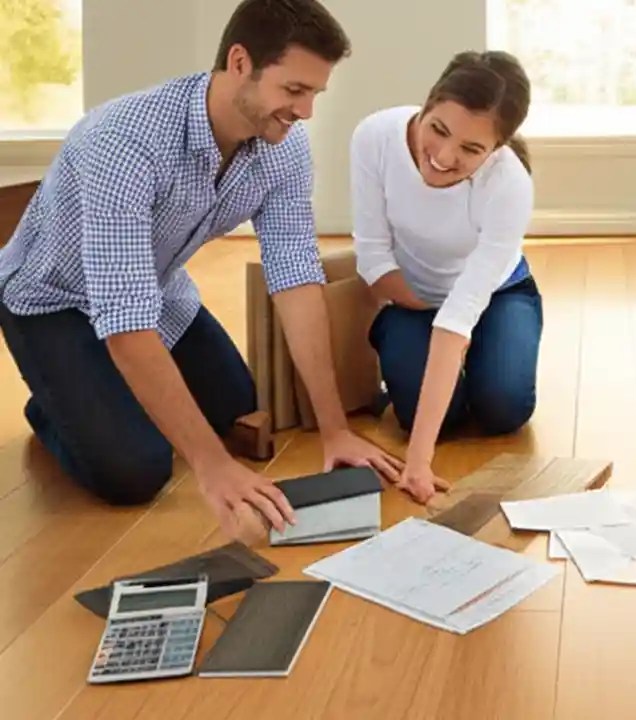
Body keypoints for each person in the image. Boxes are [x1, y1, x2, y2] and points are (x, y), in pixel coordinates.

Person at [0, 0, 402, 541]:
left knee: (233, 406)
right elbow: (125, 323)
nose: (305, 111)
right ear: (240, 62)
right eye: (293, 91)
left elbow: (296, 278)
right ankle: (54, 402)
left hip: (157, 291)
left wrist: (336, 430)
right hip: (52, 299)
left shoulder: (282, 149)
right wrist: (212, 468)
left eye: (314, 94)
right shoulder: (124, 143)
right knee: (136, 471)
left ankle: (93, 390)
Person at [349, 50, 540, 503]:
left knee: (504, 409)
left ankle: (493, 352)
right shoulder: (375, 137)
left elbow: (461, 313)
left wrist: (419, 462)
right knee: (428, 415)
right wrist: (434, 315)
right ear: (428, 103)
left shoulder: (509, 184)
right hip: (412, 298)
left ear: (497, 148)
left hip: (495, 294)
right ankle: (422, 360)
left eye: (472, 149)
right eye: (438, 129)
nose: (444, 156)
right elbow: (373, 257)